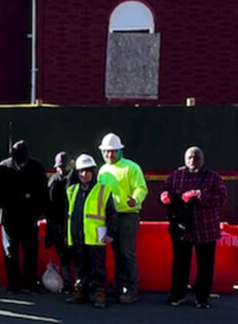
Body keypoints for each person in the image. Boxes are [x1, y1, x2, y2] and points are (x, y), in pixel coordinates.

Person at [160, 146, 229, 309]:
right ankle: (178, 294)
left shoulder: (213, 177)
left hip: (206, 228)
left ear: (202, 160)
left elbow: (222, 198)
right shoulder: (176, 176)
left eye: (196, 158)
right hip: (182, 228)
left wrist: (200, 196)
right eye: (190, 157)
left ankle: (202, 297)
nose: (193, 161)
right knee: (180, 263)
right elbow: (164, 189)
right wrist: (164, 196)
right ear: (185, 159)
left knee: (205, 265)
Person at [97, 132, 148, 304]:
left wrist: (136, 199)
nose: (109, 155)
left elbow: (141, 187)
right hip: (110, 217)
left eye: (113, 151)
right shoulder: (102, 170)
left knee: (127, 253)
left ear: (120, 151)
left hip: (127, 215)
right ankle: (120, 287)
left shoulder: (131, 168)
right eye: (106, 151)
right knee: (117, 253)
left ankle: (131, 289)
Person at [0, 140, 48, 293]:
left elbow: (43, 192)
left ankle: (30, 282)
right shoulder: (3, 167)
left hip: (29, 217)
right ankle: (13, 283)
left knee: (30, 251)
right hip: (9, 217)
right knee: (10, 251)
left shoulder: (36, 167)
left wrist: (38, 212)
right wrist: (3, 204)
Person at [65, 154, 116, 308]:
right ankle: (81, 291)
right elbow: (69, 214)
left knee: (97, 267)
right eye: (80, 171)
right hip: (78, 235)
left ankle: (99, 294)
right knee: (81, 266)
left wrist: (111, 234)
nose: (84, 174)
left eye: (87, 171)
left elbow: (112, 214)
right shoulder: (72, 190)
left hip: (96, 237)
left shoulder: (103, 190)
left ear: (93, 172)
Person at [46, 151, 76, 293]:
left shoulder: (73, 179)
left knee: (74, 255)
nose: (62, 169)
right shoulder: (54, 181)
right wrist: (54, 227)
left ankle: (76, 283)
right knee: (64, 255)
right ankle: (69, 282)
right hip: (60, 224)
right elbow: (50, 207)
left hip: (71, 224)